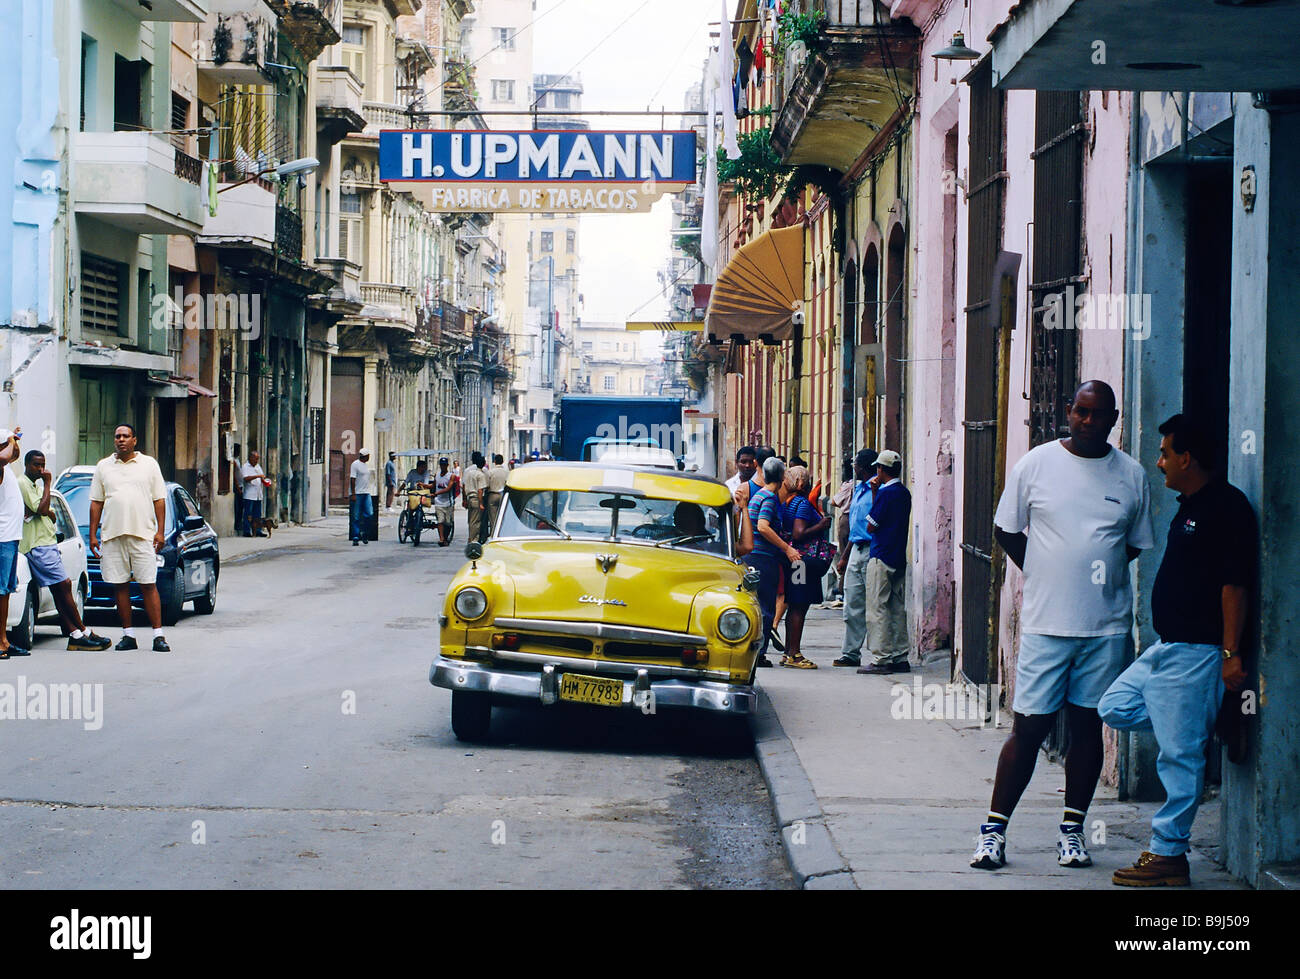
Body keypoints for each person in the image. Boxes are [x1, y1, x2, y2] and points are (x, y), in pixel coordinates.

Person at [971, 380, 1154, 872]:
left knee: (1087, 730)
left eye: (1101, 415)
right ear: (1068, 413)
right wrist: (1045, 569)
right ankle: (993, 831)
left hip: (1105, 628)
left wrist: (1097, 573)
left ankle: (1073, 831)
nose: (1091, 423)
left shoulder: (1132, 475)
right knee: (1027, 729)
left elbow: (1132, 544)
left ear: (1114, 419)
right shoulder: (1036, 465)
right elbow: (1006, 528)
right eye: (1082, 413)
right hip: (1047, 626)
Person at [1099, 414, 1255, 887]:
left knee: (1179, 757)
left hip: (1197, 653)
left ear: (1187, 458)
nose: (1160, 461)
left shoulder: (1227, 506)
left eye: (1166, 453)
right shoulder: (1190, 505)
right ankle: (1192, 724)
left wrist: (1230, 655)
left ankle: (1168, 856)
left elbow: (1235, 586)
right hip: (1167, 652)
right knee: (1114, 706)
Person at [88, 424, 171, 652]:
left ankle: (158, 636)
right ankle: (128, 635)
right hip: (113, 535)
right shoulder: (104, 466)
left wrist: (160, 531)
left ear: (135, 440)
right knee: (120, 586)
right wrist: (93, 535)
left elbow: (159, 500)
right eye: (117, 436)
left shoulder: (149, 464)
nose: (121, 439)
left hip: (143, 534)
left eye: (126, 436)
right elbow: (96, 502)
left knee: (148, 584)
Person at [18, 450, 111, 651]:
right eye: (36, 465)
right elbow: (42, 509)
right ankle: (83, 630)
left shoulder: (34, 485)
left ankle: (75, 634)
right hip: (38, 545)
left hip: (48, 543)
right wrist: (49, 484)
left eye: (42, 465)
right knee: (64, 584)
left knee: (59, 589)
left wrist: (48, 511)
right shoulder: (23, 483)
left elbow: (44, 510)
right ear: (27, 464)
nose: (41, 469)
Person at [856, 450, 912, 676]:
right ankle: (900, 655)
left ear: (880, 469)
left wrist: (874, 492)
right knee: (897, 607)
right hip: (898, 555)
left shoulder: (885, 494)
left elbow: (871, 525)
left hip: (880, 555)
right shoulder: (904, 493)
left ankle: (881, 658)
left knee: (877, 607)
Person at [744, 457, 801, 669]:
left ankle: (755, 651)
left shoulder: (760, 495)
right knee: (765, 607)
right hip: (761, 557)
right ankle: (759, 653)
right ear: (781, 476)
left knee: (757, 605)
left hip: (754, 556)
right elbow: (763, 526)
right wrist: (787, 549)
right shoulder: (768, 498)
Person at [779, 465, 828, 669]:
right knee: (799, 604)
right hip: (802, 562)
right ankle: (794, 653)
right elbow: (799, 533)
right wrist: (822, 525)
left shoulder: (787, 502)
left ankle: (788, 651)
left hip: (793, 559)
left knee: (794, 604)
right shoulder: (802, 504)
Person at [833, 448, 877, 666]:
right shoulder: (858, 489)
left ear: (864, 466)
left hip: (872, 549)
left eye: (856, 464)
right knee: (852, 603)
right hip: (856, 548)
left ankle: (880, 654)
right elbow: (855, 527)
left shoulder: (877, 490)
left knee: (875, 604)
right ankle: (851, 653)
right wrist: (844, 556)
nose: (854, 468)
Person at [0, 428, 29, 659]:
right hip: (2, 539)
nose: (15, 449)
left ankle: (4, 641)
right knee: (0, 591)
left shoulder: (7, 468)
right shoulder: (0, 463)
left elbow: (11, 455)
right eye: (10, 445)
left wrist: (13, 440)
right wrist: (10, 439)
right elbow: (4, 455)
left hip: (9, 538)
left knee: (6, 591)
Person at [349, 448, 375, 546]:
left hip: (366, 492)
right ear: (364, 456)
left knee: (369, 513)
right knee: (356, 516)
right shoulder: (355, 464)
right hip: (358, 493)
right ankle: (356, 536)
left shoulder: (365, 466)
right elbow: (352, 479)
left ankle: (364, 532)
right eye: (368, 455)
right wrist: (353, 493)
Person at [239, 450, 267, 537]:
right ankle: (246, 531)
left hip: (258, 494)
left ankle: (258, 530)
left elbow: (262, 477)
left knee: (257, 514)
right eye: (255, 459)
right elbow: (246, 479)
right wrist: (257, 476)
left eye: (258, 459)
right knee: (248, 513)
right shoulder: (245, 466)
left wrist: (264, 480)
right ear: (251, 458)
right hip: (249, 494)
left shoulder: (258, 466)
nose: (256, 461)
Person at [463, 452, 488, 543]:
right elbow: (480, 490)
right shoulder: (481, 474)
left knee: (471, 520)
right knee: (476, 521)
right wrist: (481, 503)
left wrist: (465, 499)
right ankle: (473, 539)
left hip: (470, 497)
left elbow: (464, 485)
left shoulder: (469, 473)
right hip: (476, 499)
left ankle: (470, 537)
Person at [433, 457, 456, 547]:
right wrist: (424, 485)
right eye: (441, 465)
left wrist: (437, 493)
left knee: (448, 523)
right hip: (438, 502)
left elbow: (448, 488)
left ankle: (445, 538)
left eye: (444, 465)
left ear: (447, 465)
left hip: (448, 503)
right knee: (440, 521)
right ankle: (441, 538)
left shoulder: (451, 476)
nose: (443, 467)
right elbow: (433, 485)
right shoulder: (437, 475)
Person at [485, 454, 508, 537]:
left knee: (493, 518)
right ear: (503, 461)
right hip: (503, 496)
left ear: (494, 461)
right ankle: (502, 534)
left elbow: (487, 484)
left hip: (493, 494)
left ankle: (493, 535)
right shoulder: (507, 472)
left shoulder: (490, 472)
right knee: (502, 516)